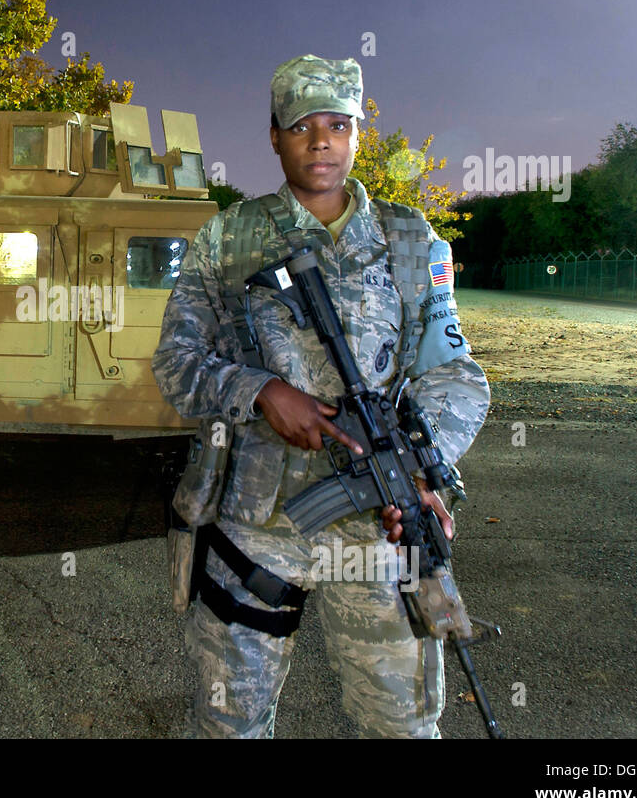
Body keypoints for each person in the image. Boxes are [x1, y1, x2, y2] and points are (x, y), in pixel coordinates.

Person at [152, 54, 490, 738]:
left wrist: (425, 471)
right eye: (301, 125)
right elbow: (176, 363)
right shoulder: (229, 236)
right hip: (255, 522)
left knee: (399, 724)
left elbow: (455, 375)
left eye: (338, 124)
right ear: (274, 136)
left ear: (358, 134)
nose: (321, 140)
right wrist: (261, 390)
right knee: (230, 721)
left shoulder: (408, 240)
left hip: (377, 528)